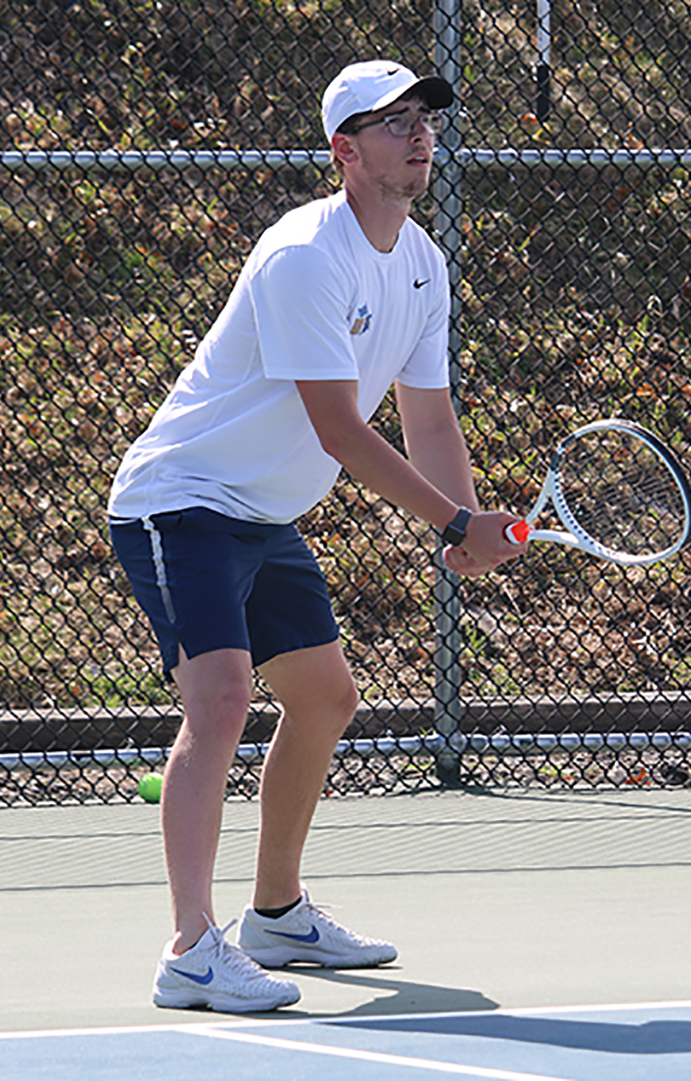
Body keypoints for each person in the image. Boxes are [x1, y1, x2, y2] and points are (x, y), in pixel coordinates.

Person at [106, 60, 526, 1013]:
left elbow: (431, 419)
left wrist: (460, 530)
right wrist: (455, 519)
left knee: (325, 698)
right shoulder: (304, 254)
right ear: (345, 151)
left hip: (263, 512)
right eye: (392, 123)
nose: (418, 136)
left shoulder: (423, 263)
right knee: (219, 701)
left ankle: (277, 912)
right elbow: (341, 427)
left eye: (423, 119)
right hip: (182, 499)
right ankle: (188, 947)